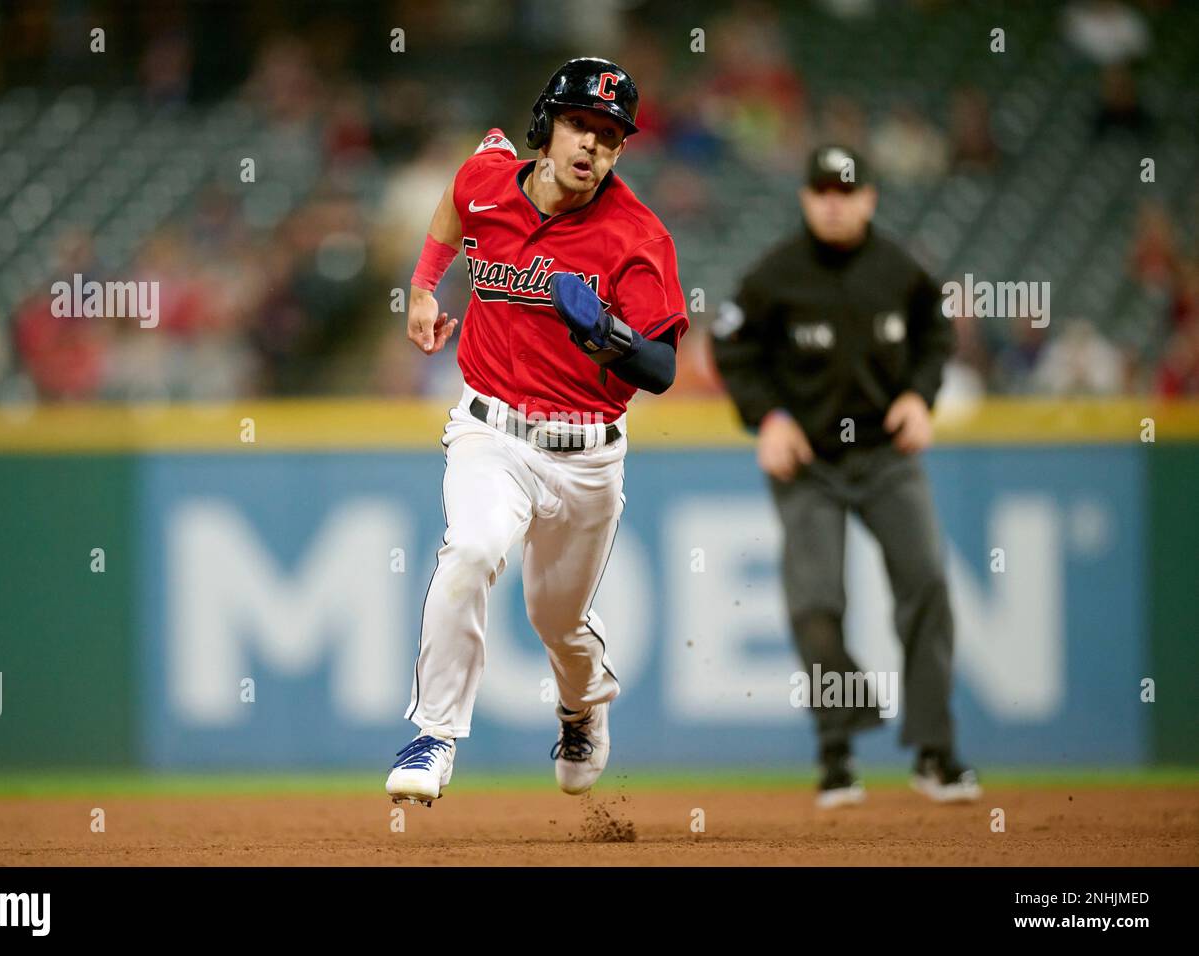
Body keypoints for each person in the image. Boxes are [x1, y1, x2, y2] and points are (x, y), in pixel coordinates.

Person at [386, 58, 688, 805]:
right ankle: (434, 736)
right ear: (547, 126)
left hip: (586, 458)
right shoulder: (489, 179)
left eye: (612, 137)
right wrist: (423, 287)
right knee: (473, 547)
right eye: (582, 124)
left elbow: (661, 367)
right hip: (490, 430)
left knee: (556, 620)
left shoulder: (635, 236)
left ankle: (583, 706)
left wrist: (609, 336)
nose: (593, 145)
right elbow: (456, 201)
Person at [711, 145, 980, 808]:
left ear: (871, 198)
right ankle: (837, 752)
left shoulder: (901, 269)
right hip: (810, 462)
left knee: (927, 586)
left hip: (885, 455)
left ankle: (935, 753)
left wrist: (921, 394)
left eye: (847, 189)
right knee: (815, 604)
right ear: (806, 198)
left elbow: (936, 334)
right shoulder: (774, 276)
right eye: (822, 189)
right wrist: (767, 416)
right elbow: (730, 345)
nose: (834, 200)